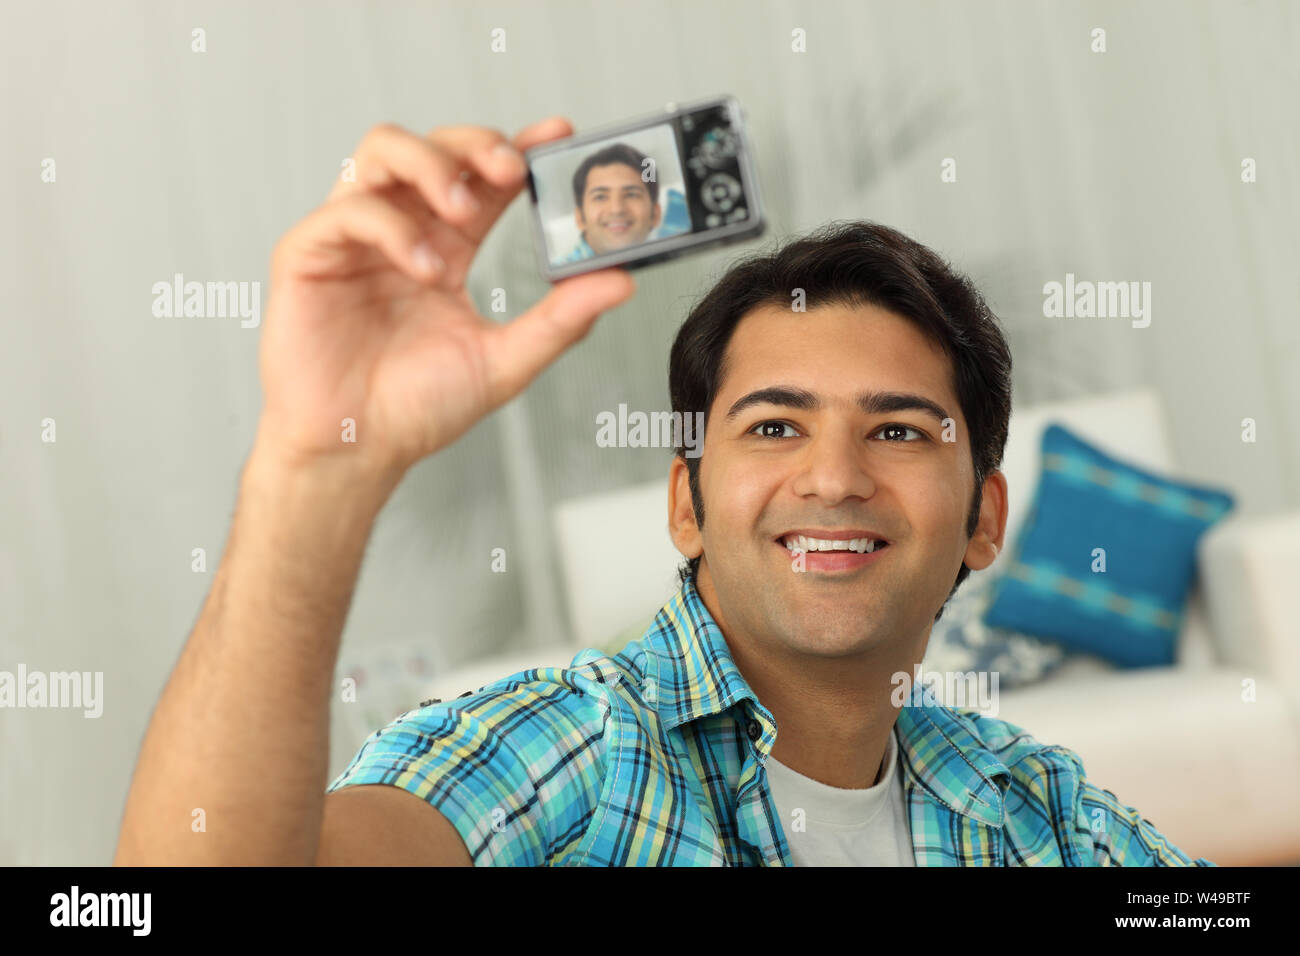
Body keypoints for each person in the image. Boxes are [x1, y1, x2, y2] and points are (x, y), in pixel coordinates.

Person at [113, 117, 1215, 867]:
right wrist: (317, 466)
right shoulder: (578, 746)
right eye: (774, 425)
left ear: (983, 519)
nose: (833, 477)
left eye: (896, 428)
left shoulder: (1030, 806)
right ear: (684, 502)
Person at [559, 141, 676, 263]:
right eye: (600, 197)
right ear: (579, 218)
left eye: (631, 195)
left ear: (655, 214)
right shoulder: (556, 277)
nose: (617, 209)